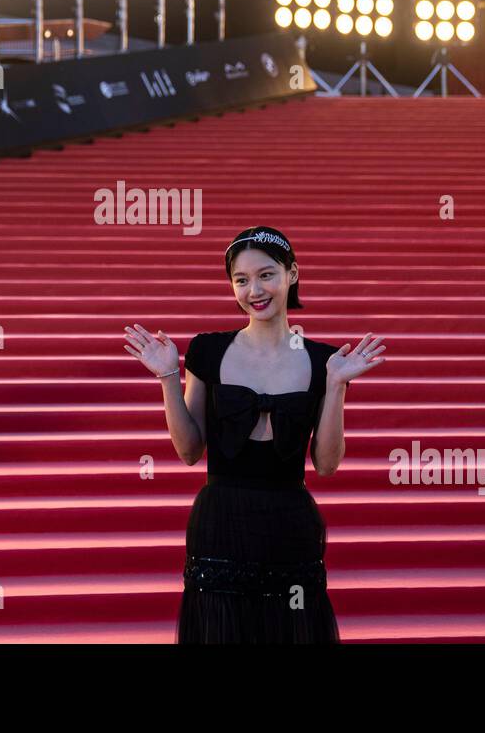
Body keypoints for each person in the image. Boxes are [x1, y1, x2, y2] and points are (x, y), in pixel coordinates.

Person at [123, 225, 385, 643]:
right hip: (220, 523)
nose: (254, 290)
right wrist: (168, 377)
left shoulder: (324, 361)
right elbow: (190, 452)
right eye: (241, 280)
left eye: (266, 275)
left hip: (289, 523)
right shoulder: (208, 350)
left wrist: (336, 386)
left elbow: (327, 464)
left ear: (292, 274)